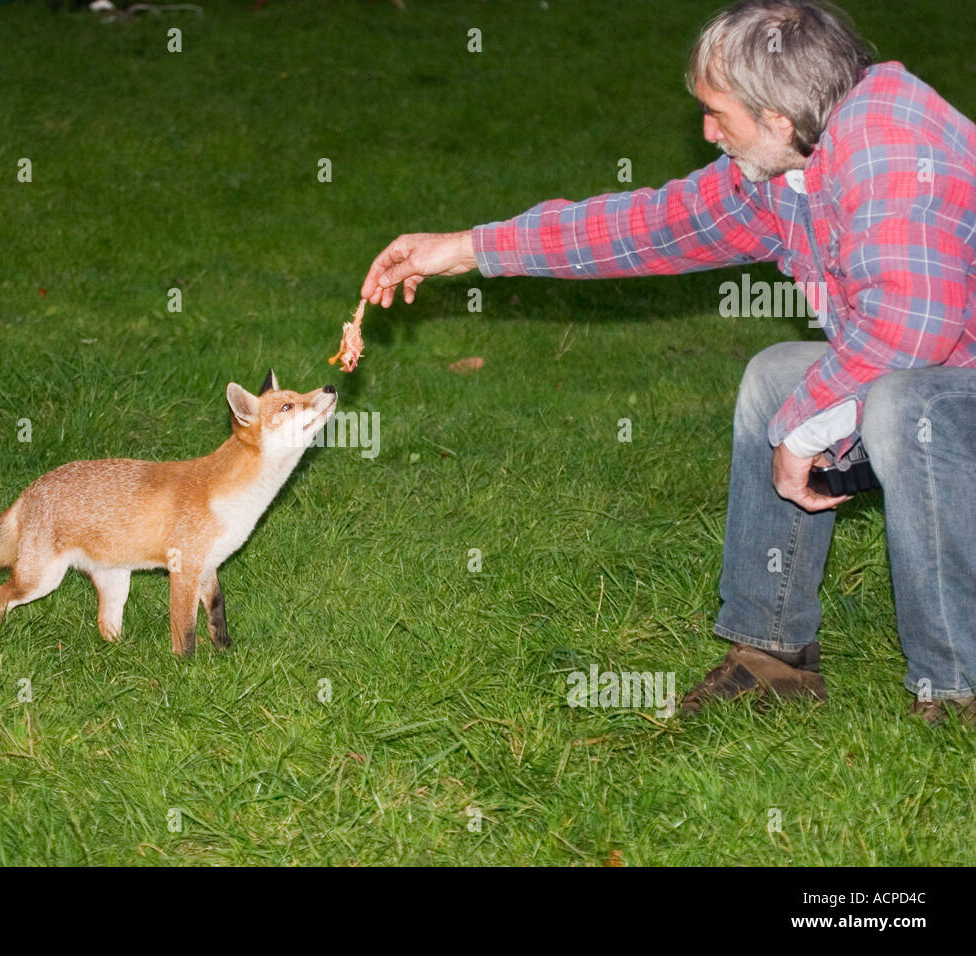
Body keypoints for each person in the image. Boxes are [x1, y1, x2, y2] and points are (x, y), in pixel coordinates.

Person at [360, 0, 976, 724]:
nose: (707, 133)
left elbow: (914, 325)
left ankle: (956, 687)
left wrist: (804, 434)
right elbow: (647, 227)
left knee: (907, 406)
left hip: (944, 385)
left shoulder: (889, 144)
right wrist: (463, 249)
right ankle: (772, 658)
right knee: (778, 375)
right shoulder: (790, 165)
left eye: (718, 114)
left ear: (778, 116)